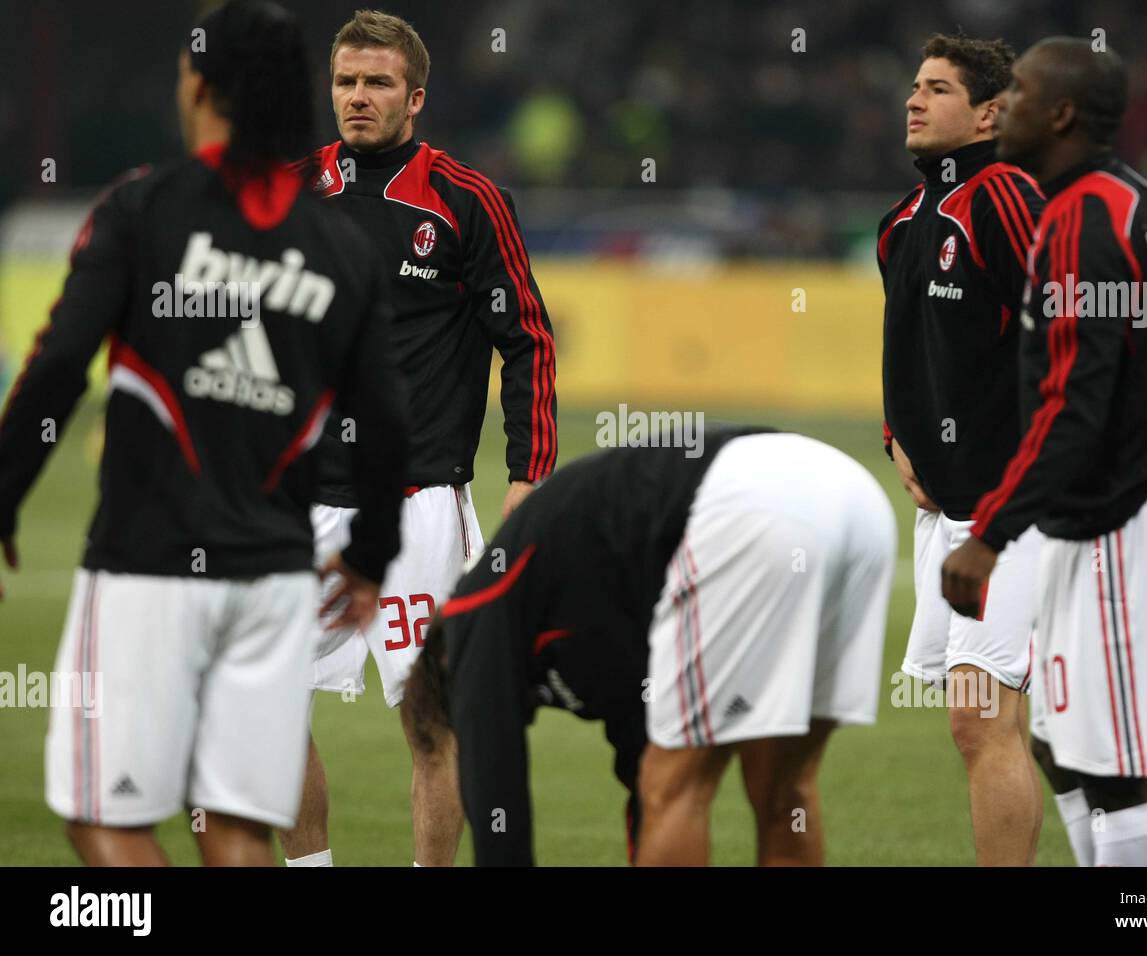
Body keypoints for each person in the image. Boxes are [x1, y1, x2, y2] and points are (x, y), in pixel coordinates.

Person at [0, 0, 407, 866]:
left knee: (102, 814)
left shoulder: (144, 210)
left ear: (198, 85)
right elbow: (386, 417)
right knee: (237, 826)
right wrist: (371, 555)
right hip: (273, 579)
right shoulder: (338, 246)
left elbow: (56, 370)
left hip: (148, 564)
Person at [279, 10, 558, 868]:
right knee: (261, 710)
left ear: (416, 97)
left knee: (431, 720)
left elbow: (529, 340)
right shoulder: (287, 194)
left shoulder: (466, 201)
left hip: (420, 506)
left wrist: (528, 472)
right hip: (300, 506)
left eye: (378, 84)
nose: (358, 99)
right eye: (345, 83)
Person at [942, 38, 1147, 867]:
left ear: (1060, 114)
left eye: (1019, 92)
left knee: (1115, 769)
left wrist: (990, 531)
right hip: (1099, 513)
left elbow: (1074, 404)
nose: (1004, 106)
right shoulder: (1123, 198)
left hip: (1127, 516)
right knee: (1066, 752)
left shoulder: (1085, 218)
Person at [403, 428, 895, 865]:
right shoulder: (586, 609)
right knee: (784, 793)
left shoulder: (476, 611)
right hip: (854, 500)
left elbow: (497, 795)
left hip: (751, 508)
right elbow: (636, 743)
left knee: (675, 786)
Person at [878, 33, 1045, 866]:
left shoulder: (1006, 195)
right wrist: (895, 437)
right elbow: (908, 350)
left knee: (983, 720)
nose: (914, 99)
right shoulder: (901, 223)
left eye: (937, 88)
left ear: (987, 113)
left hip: (1010, 513)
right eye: (914, 84)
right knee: (1009, 724)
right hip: (950, 514)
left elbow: (1068, 333)